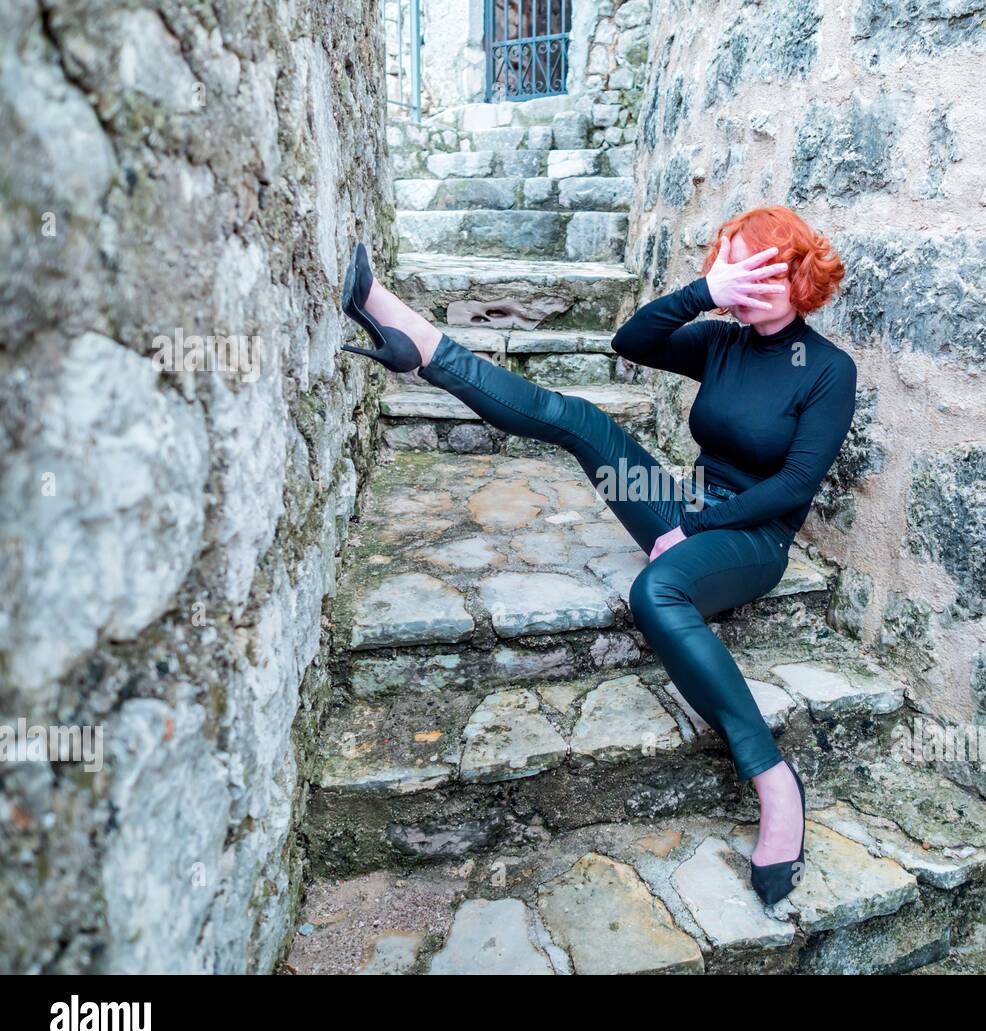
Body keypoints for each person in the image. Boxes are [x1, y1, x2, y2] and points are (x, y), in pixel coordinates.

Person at [340, 205, 856, 905]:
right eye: (727, 264)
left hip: (753, 538)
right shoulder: (721, 342)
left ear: (794, 271)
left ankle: (772, 778)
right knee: (582, 419)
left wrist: (699, 527)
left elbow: (794, 486)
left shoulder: (827, 369)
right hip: (689, 507)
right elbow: (631, 338)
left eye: (753, 265)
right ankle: (418, 342)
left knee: (657, 591)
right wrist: (706, 295)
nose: (739, 279)